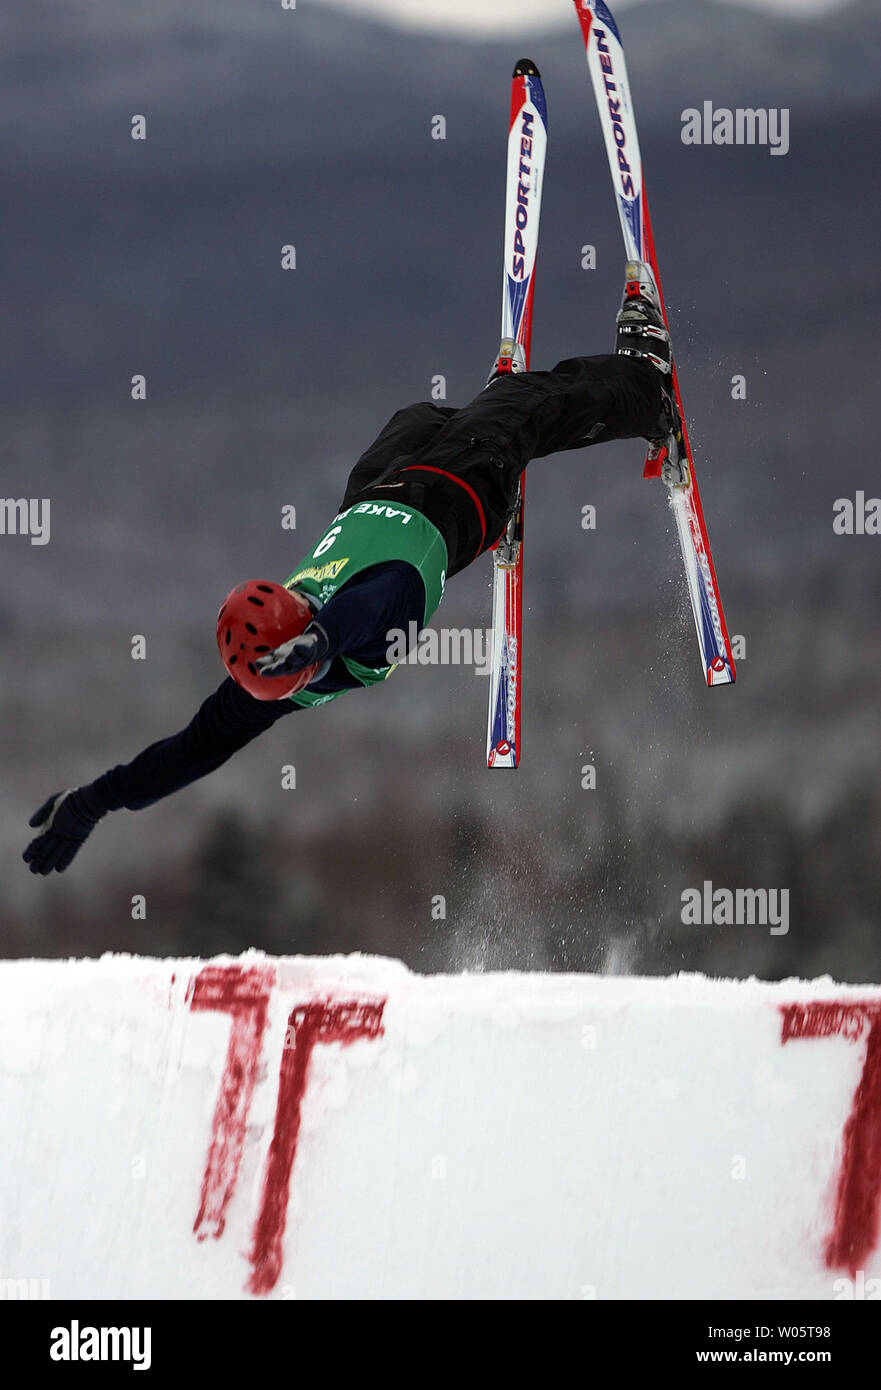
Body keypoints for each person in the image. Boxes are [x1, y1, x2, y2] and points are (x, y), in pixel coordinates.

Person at [23, 261, 683, 875]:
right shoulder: (362, 633)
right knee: (527, 406)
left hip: (376, 493)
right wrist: (321, 641)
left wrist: (93, 802)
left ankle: (486, 422)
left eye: (300, 603)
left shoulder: (264, 675)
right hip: (457, 502)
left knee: (416, 416)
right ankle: (647, 387)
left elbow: (186, 751)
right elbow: (372, 598)